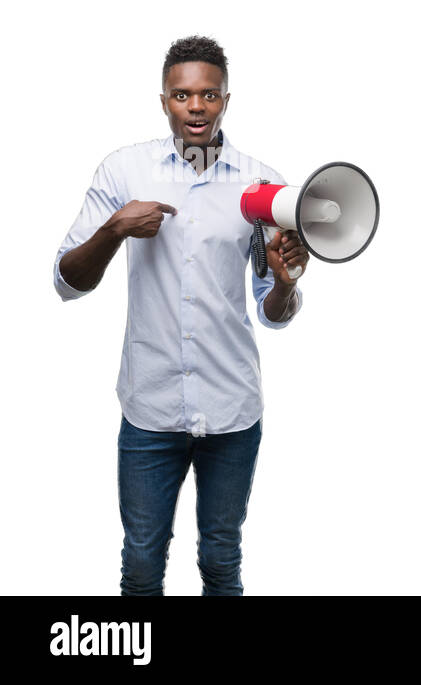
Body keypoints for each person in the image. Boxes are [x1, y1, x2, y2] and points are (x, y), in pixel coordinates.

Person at [53, 36, 308, 595]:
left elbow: (275, 313)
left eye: (209, 95)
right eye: (182, 95)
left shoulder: (262, 186)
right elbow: (66, 282)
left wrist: (285, 283)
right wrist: (115, 228)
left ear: (225, 100)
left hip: (231, 408)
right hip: (150, 407)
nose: (196, 107)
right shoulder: (124, 171)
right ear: (164, 100)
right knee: (142, 562)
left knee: (222, 558)